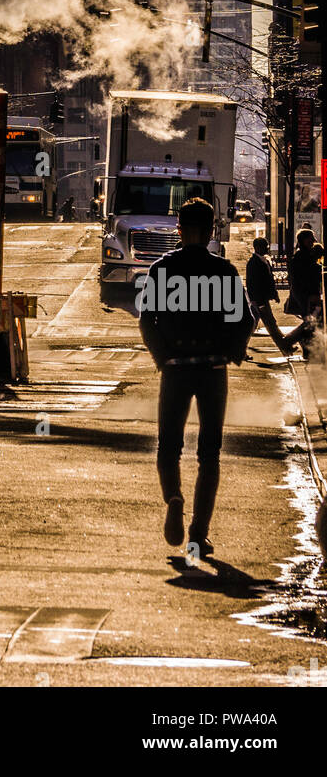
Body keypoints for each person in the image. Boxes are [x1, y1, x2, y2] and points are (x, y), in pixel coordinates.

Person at [138, 197, 254, 557]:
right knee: (209, 453)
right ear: (210, 231)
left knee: (168, 446)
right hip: (212, 369)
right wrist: (233, 351)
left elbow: (147, 321)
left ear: (178, 230)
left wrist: (162, 357)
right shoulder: (224, 272)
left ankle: (173, 497)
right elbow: (245, 320)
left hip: (175, 369)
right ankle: (198, 533)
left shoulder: (162, 269)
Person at [245, 237, 292, 355]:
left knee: (264, 324)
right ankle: (286, 348)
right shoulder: (253, 263)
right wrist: (258, 302)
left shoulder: (264, 261)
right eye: (265, 246)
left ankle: (286, 347)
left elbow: (269, 280)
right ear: (257, 248)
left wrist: (274, 294)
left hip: (262, 299)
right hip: (259, 300)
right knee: (270, 324)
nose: (267, 248)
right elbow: (252, 284)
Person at [285, 227, 323, 356]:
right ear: (304, 240)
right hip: (307, 294)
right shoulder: (302, 256)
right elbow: (307, 276)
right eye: (310, 239)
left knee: (312, 320)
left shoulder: (303, 255)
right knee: (311, 320)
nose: (313, 241)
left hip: (307, 293)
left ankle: (306, 347)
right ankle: (290, 340)